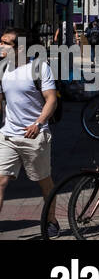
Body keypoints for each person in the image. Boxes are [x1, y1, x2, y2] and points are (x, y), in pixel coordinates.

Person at [0, 28, 60, 236]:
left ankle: (51, 221)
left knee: (44, 182)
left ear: (21, 47)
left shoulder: (39, 68)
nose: (1, 46)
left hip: (34, 135)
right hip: (8, 134)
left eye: (6, 43)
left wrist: (38, 123)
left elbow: (51, 99)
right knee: (0, 181)